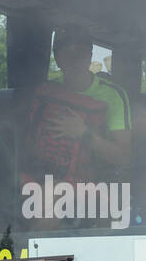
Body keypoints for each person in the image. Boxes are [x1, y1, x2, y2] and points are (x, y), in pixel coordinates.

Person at [23, 27, 132, 181]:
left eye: (81, 53)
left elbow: (123, 157)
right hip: (44, 181)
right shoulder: (46, 93)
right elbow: (29, 147)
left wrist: (84, 133)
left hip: (92, 188)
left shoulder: (113, 95)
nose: (75, 60)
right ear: (57, 58)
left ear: (90, 57)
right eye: (68, 54)